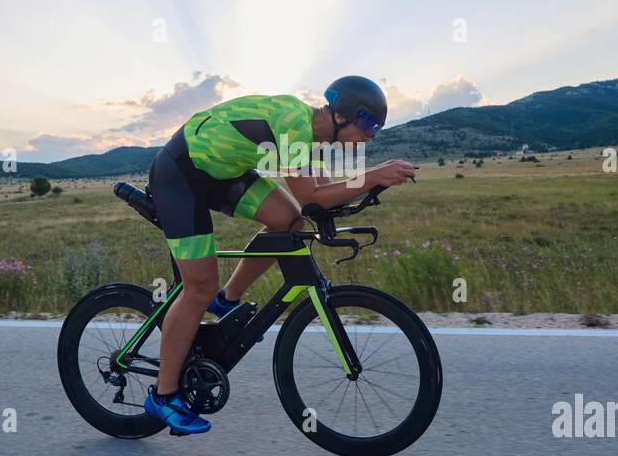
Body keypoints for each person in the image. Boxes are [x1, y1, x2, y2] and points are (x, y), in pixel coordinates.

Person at [142, 75, 417, 434]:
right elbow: (313, 197)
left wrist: (368, 183)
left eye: (376, 130)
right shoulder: (294, 125)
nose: (369, 136)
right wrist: (373, 175)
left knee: (288, 221)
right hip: (181, 172)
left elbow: (319, 195)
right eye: (367, 125)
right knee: (198, 287)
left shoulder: (313, 138)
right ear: (340, 116)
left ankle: (227, 300)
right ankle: (163, 396)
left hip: (222, 173)